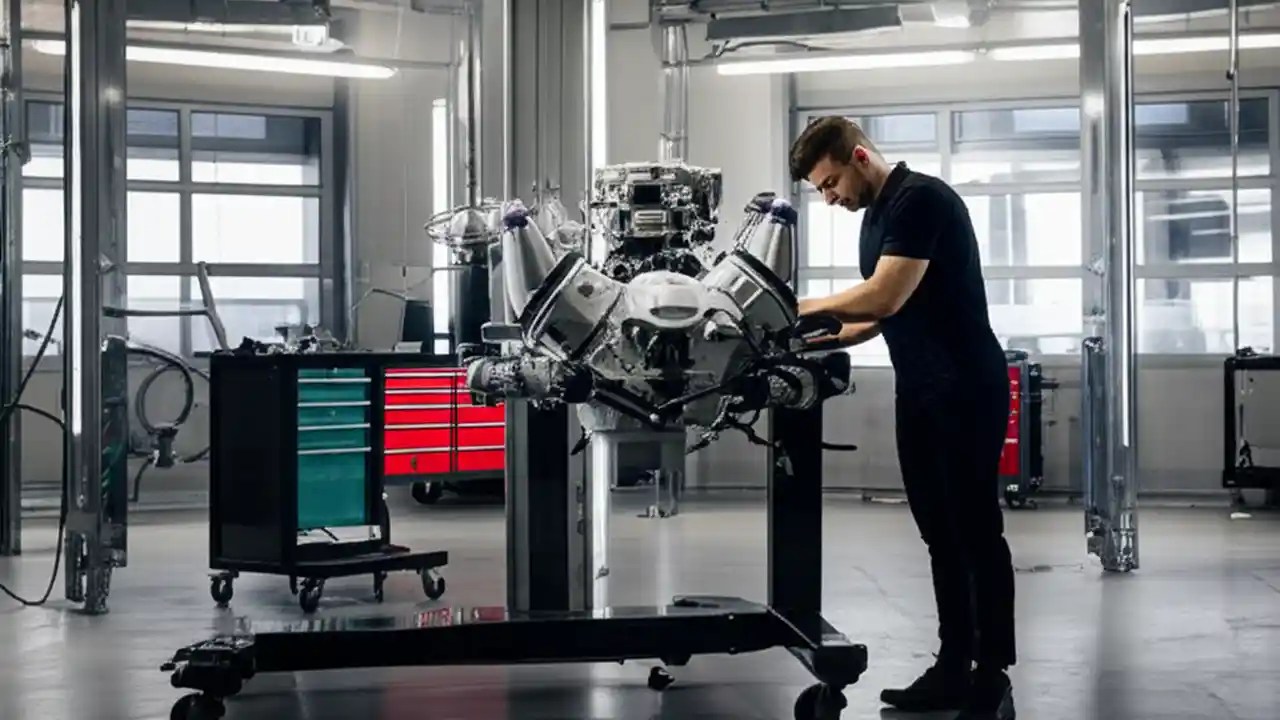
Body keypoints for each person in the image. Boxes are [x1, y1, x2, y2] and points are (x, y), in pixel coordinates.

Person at [788, 116, 1016, 720]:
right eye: (820, 190)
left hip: (967, 388)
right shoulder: (875, 220)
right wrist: (794, 338)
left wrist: (793, 304)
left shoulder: (922, 201)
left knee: (975, 532)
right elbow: (874, 319)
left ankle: (992, 676)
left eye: (831, 183)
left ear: (859, 157)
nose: (829, 198)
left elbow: (883, 295)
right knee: (939, 534)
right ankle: (950, 666)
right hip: (919, 391)